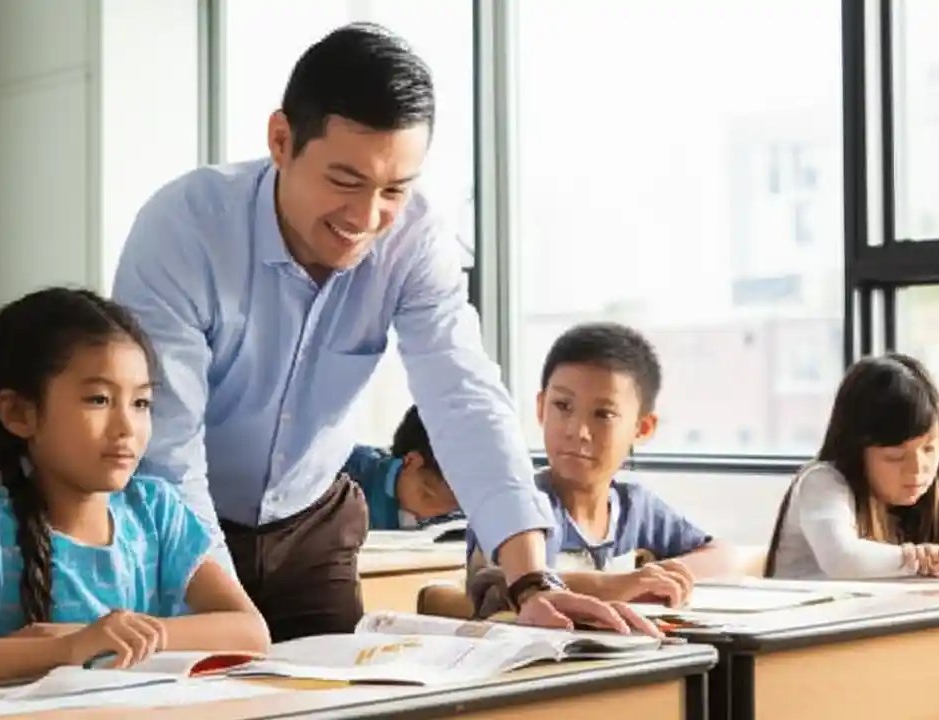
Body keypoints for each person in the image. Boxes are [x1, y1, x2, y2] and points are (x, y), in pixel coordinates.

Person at [113, 23, 649, 641]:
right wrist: (232, 614)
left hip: (310, 523)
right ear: (281, 141)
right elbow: (168, 450)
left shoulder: (416, 240)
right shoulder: (185, 229)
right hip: (178, 529)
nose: (365, 219)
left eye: (394, 188)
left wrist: (532, 580)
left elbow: (464, 398)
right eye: (345, 181)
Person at [0, 288, 268, 690]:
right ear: (19, 413)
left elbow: (250, 631)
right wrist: (66, 648)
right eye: (99, 399)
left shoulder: (156, 512)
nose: (127, 426)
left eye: (141, 403)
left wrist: (129, 635)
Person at [467, 323, 738, 616]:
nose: (578, 431)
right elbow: (499, 584)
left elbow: (722, 556)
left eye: (603, 414)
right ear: (541, 406)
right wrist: (613, 585)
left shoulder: (638, 508)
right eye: (562, 405)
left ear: (642, 427)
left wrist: (663, 575)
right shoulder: (514, 505)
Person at [765, 353, 939, 579]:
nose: (917, 469)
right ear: (856, 449)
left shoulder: (922, 510)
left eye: (929, 449)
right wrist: (938, 559)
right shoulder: (822, 482)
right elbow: (843, 559)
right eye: (895, 456)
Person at [343, 406, 458, 530]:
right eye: (427, 495)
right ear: (410, 461)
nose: (428, 513)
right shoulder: (343, 473)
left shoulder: (468, 510)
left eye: (443, 512)